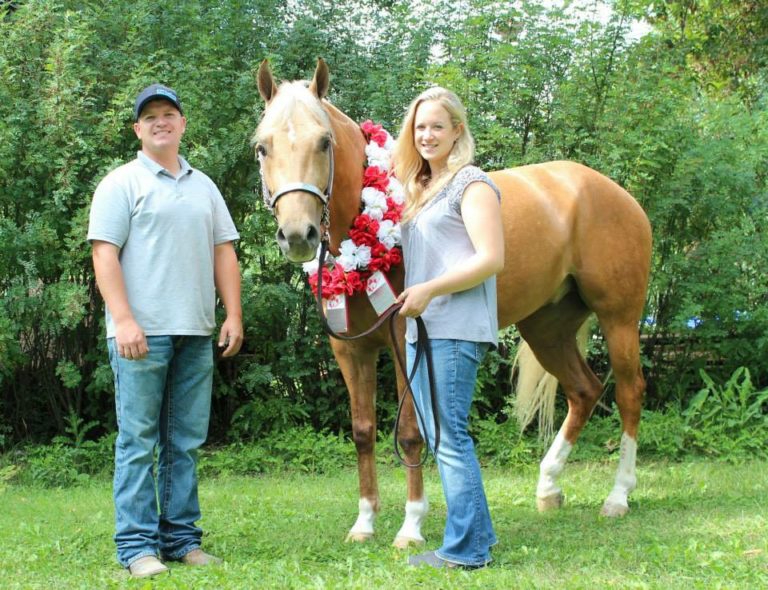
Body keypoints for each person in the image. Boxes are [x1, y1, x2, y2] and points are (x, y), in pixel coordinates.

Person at [88, 84, 243, 578]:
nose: (161, 121)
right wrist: (125, 319)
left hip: (195, 332)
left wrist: (233, 314)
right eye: (150, 116)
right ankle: (137, 548)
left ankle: (181, 540)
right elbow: (103, 253)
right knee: (137, 441)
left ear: (182, 124)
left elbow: (224, 251)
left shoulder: (205, 187)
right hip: (140, 335)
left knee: (185, 442)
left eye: (169, 113)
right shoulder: (121, 183)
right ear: (137, 128)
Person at [393, 87, 504, 569]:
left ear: (458, 130)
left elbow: (491, 259)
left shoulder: (471, 183)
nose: (427, 135)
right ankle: (482, 535)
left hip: (456, 326)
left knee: (448, 436)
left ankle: (465, 551)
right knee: (444, 435)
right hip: (426, 327)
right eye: (420, 127)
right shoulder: (422, 189)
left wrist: (430, 290)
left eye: (437, 125)